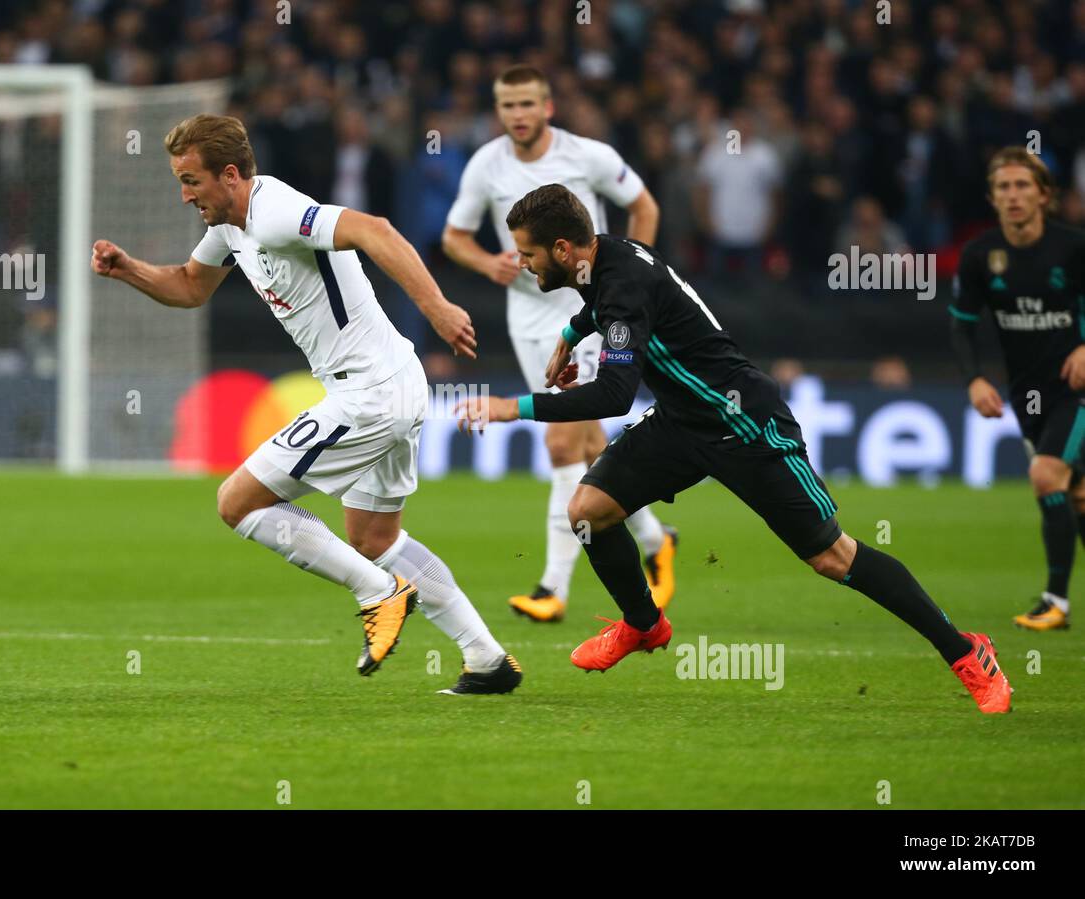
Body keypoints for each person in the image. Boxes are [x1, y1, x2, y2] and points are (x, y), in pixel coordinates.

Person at [455, 183, 1010, 714]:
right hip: (681, 422)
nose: (522, 264)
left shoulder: (621, 282)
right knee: (588, 511)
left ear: (562, 247)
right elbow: (598, 305)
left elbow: (616, 395)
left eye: (528, 254)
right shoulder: (606, 256)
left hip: (744, 424)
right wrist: (572, 336)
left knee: (831, 556)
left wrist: (514, 408)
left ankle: (966, 651)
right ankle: (644, 625)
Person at [91, 114, 520, 695]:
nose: (185, 194)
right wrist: (130, 270)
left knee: (237, 502)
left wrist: (438, 308)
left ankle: (379, 592)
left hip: (368, 391)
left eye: (191, 181)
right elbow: (191, 286)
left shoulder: (273, 211)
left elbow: (378, 231)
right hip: (392, 382)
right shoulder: (229, 225)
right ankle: (486, 658)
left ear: (231, 174)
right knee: (377, 538)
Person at [442, 64, 678, 624]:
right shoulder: (485, 165)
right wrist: (486, 261)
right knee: (591, 444)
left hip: (588, 315)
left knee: (559, 448)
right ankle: (655, 539)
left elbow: (646, 208)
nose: (518, 115)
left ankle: (552, 587)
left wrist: (625, 284)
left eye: (528, 103)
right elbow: (453, 237)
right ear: (498, 111)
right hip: (528, 323)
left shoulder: (588, 156)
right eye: (508, 106)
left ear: (547, 107)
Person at [952, 146, 1085, 632]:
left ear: (1044, 195)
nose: (1013, 195)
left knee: (1047, 476)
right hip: (1029, 396)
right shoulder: (981, 256)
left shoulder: (1072, 249)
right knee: (1077, 495)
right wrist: (974, 378)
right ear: (992, 197)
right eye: (1004, 187)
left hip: (1078, 391)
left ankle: (1055, 603)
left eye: (1023, 185)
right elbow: (962, 325)